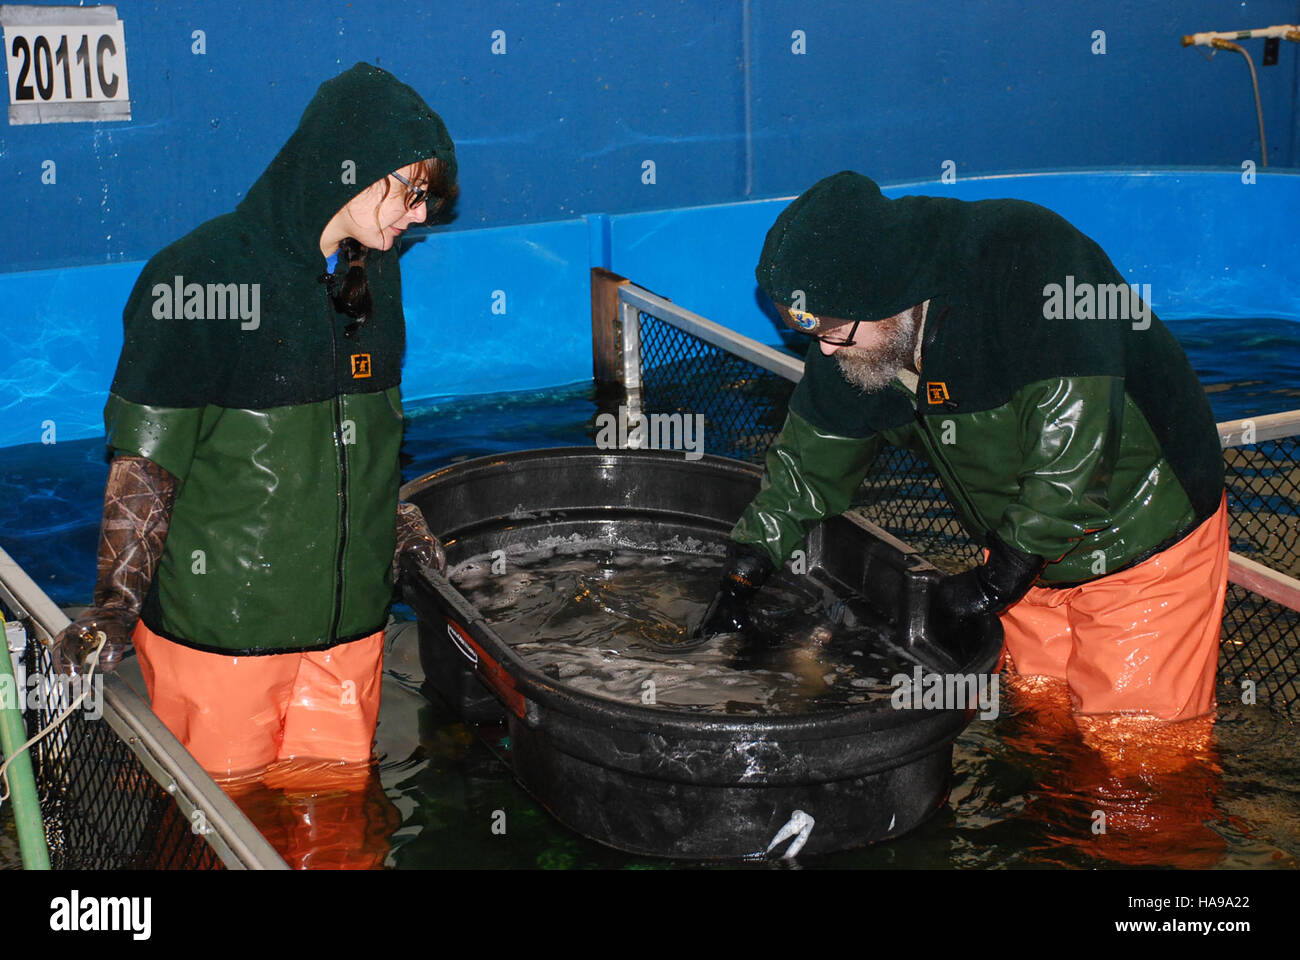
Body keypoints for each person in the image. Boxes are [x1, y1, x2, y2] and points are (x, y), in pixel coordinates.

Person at [51, 63, 458, 815]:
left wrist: (393, 523)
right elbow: (145, 465)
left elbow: (367, 442)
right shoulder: (199, 276)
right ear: (352, 166)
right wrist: (113, 607)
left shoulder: (380, 280)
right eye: (411, 187)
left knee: (340, 831)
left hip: (349, 637)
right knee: (217, 831)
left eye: (427, 194)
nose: (421, 212)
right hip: (223, 639)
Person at [698, 170, 1229, 727]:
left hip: (1140, 535)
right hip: (1020, 550)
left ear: (889, 296)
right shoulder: (854, 336)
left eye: (834, 334)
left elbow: (1077, 445)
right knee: (1039, 719)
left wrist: (1000, 576)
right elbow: (809, 463)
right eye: (813, 336)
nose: (826, 353)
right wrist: (745, 569)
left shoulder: (1029, 262)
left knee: (1135, 756)